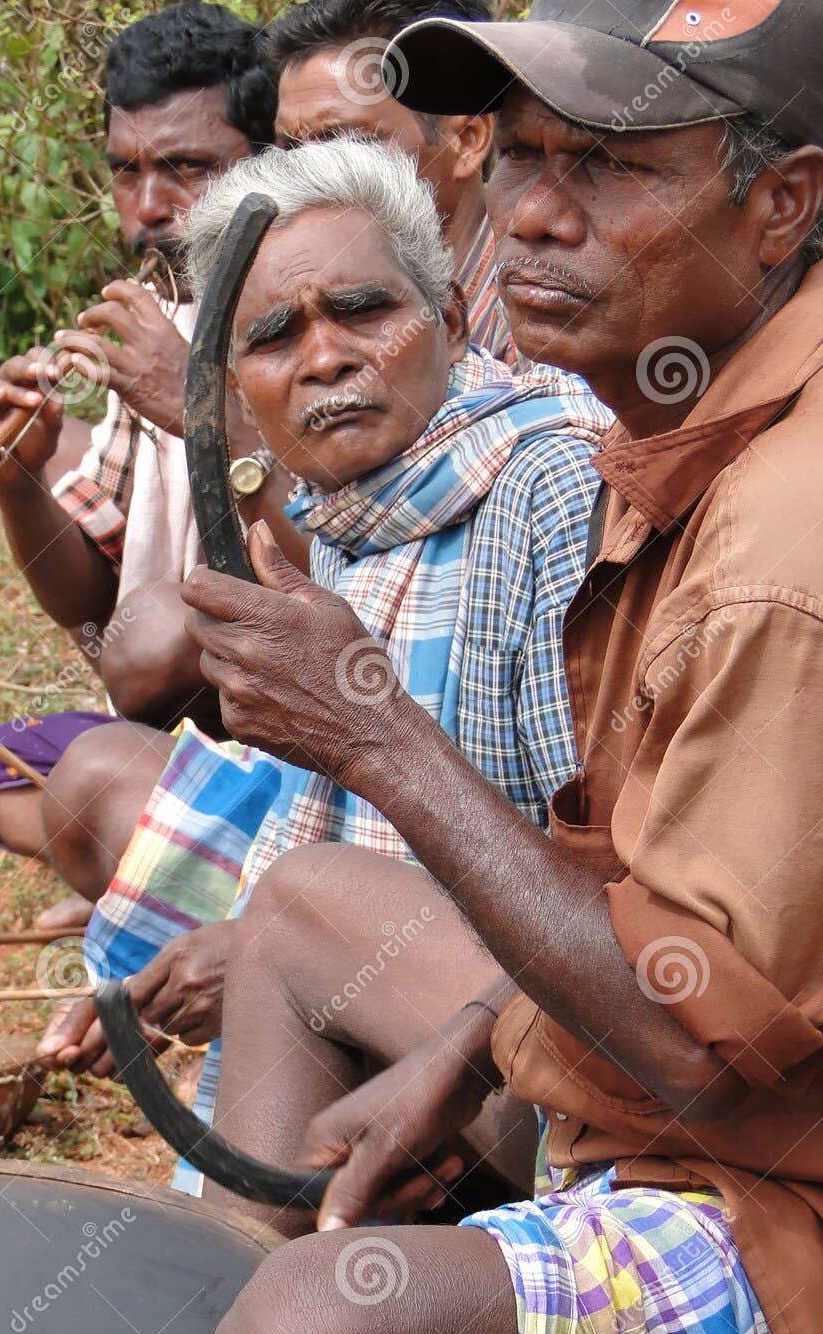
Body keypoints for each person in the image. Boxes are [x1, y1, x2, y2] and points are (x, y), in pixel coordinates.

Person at [131, 0, 823, 1334]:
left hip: (777, 1189)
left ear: (785, 203)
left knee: (316, 1321)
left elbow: (691, 1038)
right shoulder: (694, 434)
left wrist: (370, 729)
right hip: (719, 1086)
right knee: (303, 914)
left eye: (607, 167)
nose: (530, 216)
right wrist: (464, 1049)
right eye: (515, 160)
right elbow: (642, 886)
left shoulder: (774, 543)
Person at [34, 136, 608, 1130]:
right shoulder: (352, 513)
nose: (326, 358)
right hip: (444, 1015)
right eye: (273, 336)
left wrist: (287, 948)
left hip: (577, 1057)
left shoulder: (547, 491)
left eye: (363, 311)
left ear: (454, 318)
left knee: (301, 906)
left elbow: (605, 897)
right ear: (234, 382)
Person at [0, 3, 301, 919]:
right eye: (127, 171)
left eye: (187, 169)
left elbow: (344, 554)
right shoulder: (163, 320)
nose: (149, 208)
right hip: (185, 726)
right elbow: (88, 608)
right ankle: (153, 855)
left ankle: (156, 865)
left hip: (315, 732)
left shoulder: (322, 315)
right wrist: (18, 481)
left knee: (109, 733)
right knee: (7, 770)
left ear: (270, 168)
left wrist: (200, 413)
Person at [266, 0, 515, 364]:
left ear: (465, 140)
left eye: (348, 143)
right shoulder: (293, 304)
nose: (308, 174)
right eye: (291, 149)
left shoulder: (535, 313)